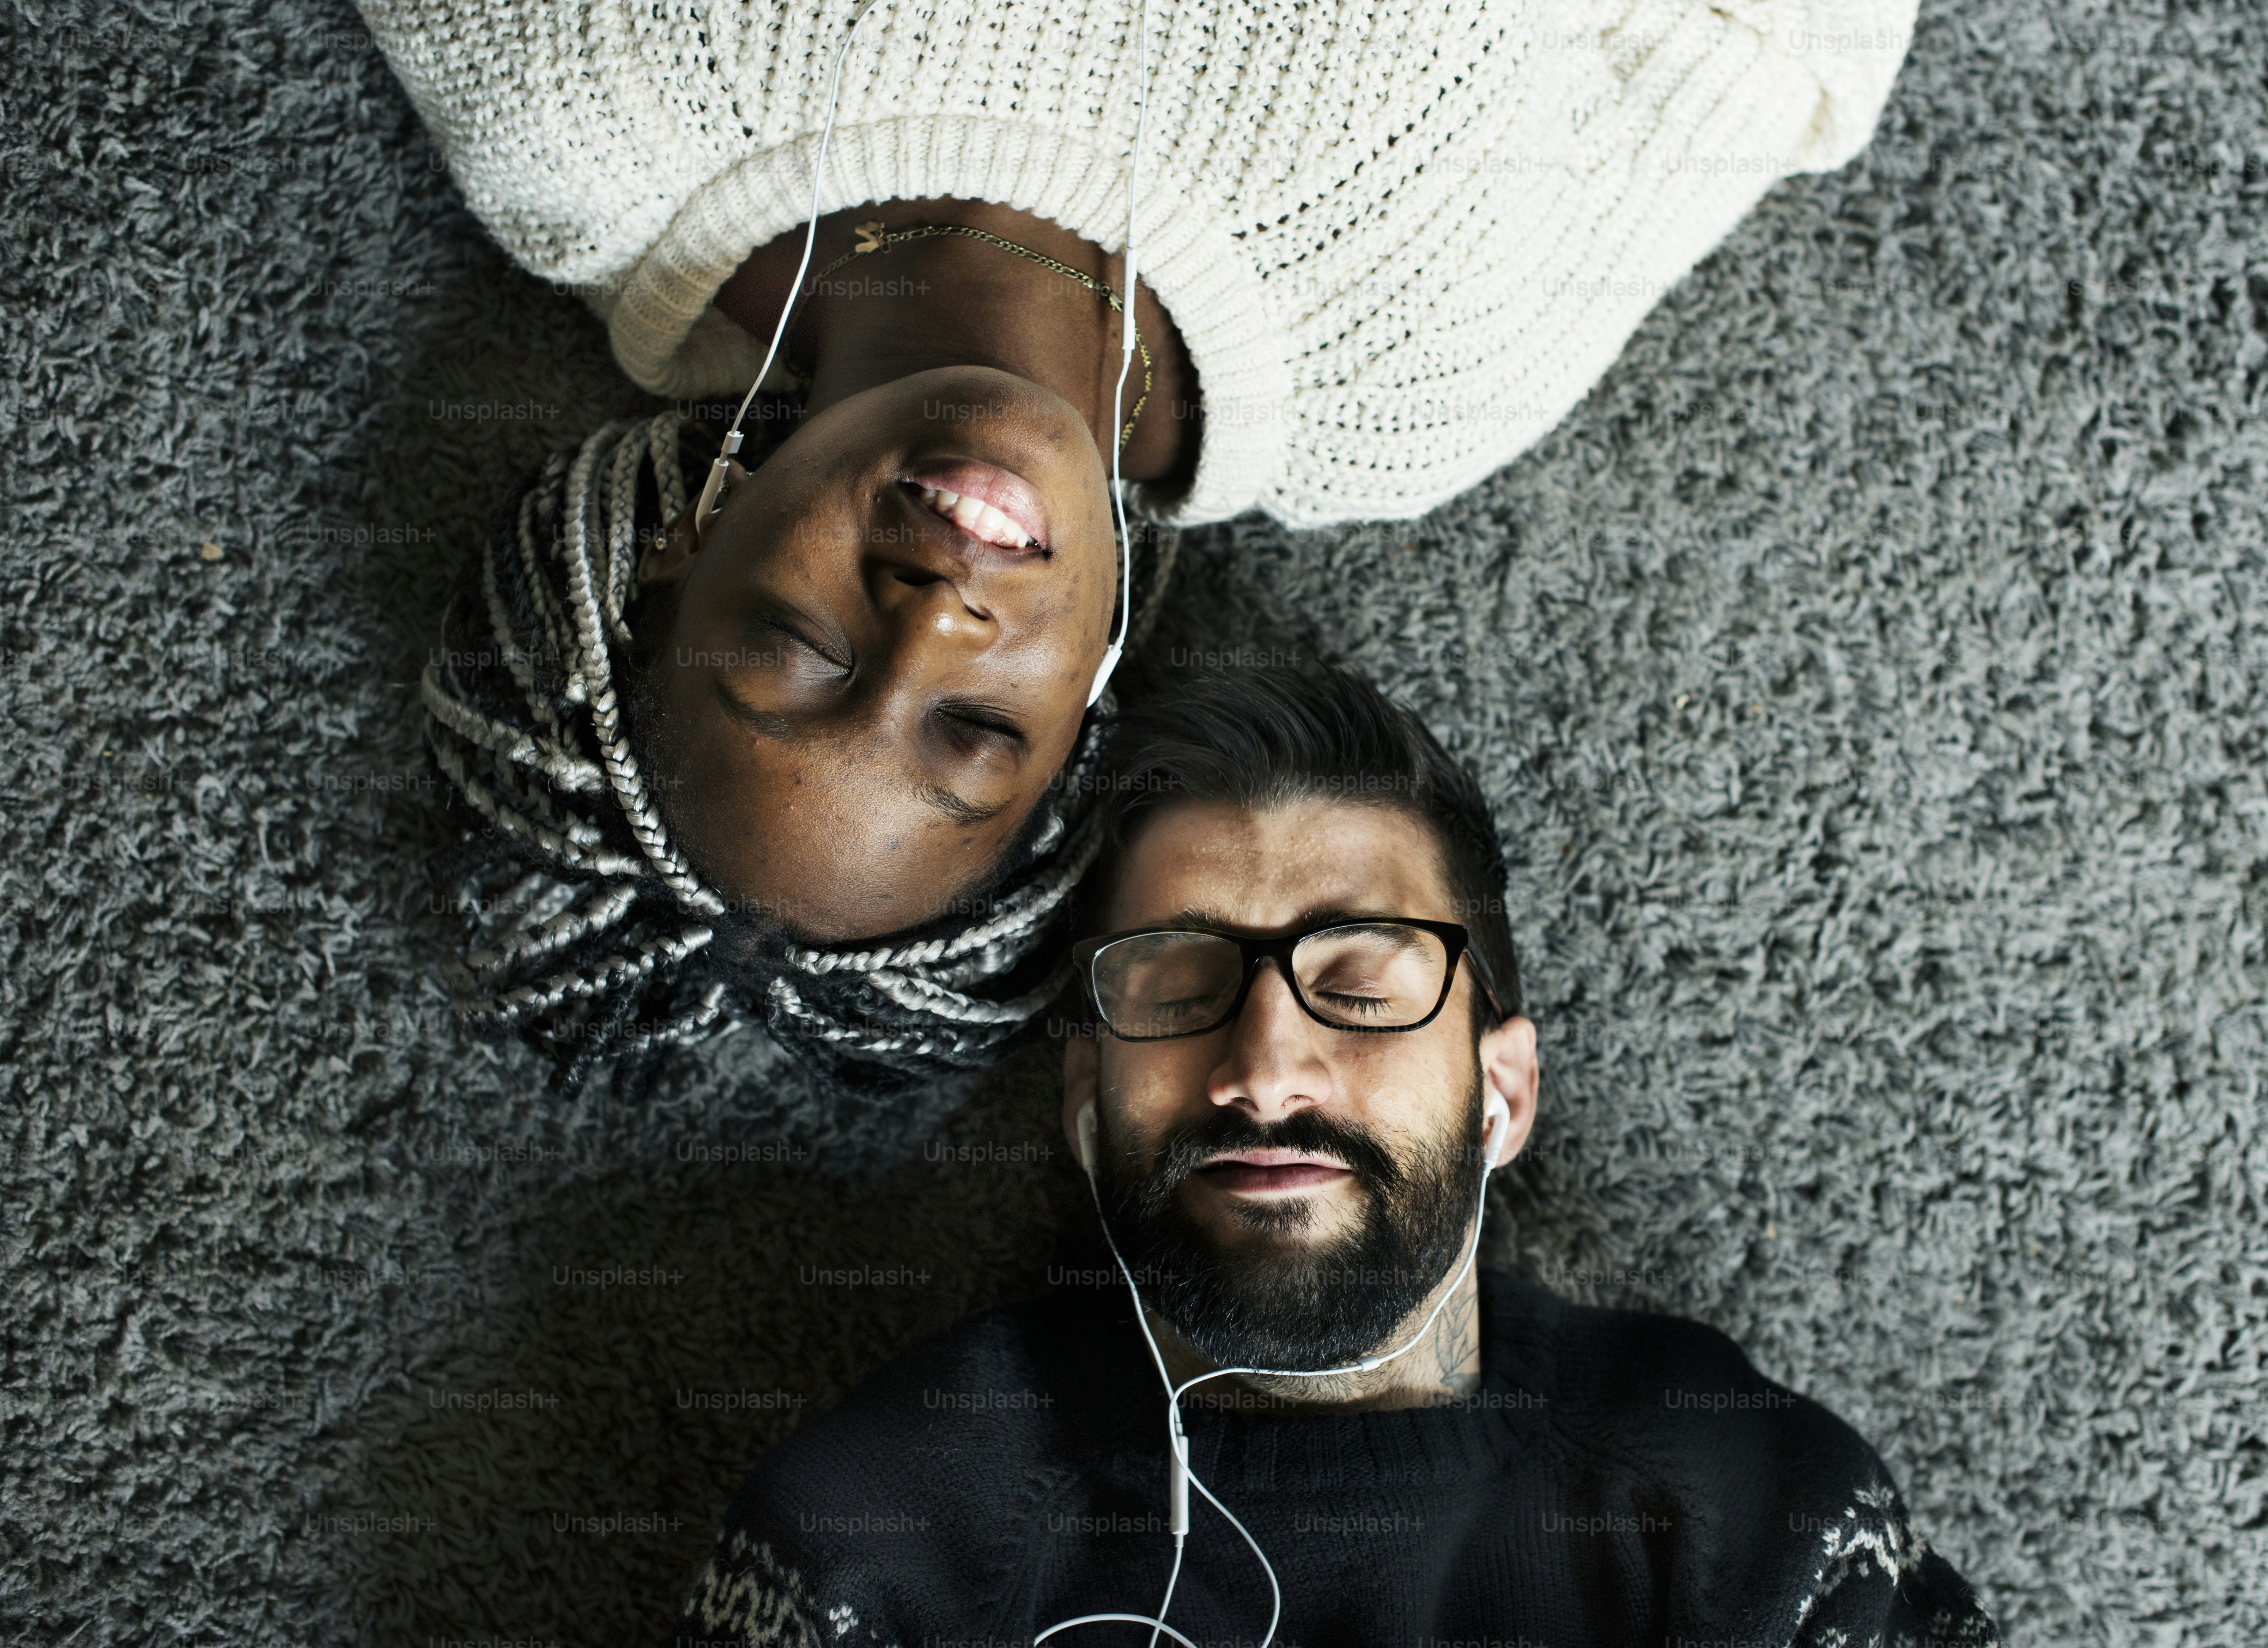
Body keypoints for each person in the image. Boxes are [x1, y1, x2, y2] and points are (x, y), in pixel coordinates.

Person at [366, 0, 1920, 1095]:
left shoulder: (590, 97)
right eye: (978, 730)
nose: (934, 622)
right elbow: (1795, 49)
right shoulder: (1416, 376)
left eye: (804, 649)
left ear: (684, 544)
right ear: (1092, 702)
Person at [667, 663, 1999, 1647]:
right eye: (1179, 985)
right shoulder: (877, 1537)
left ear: (1503, 1094)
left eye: (1359, 985)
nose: (1263, 1074)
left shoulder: (1750, 1510)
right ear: (1085, 1100)